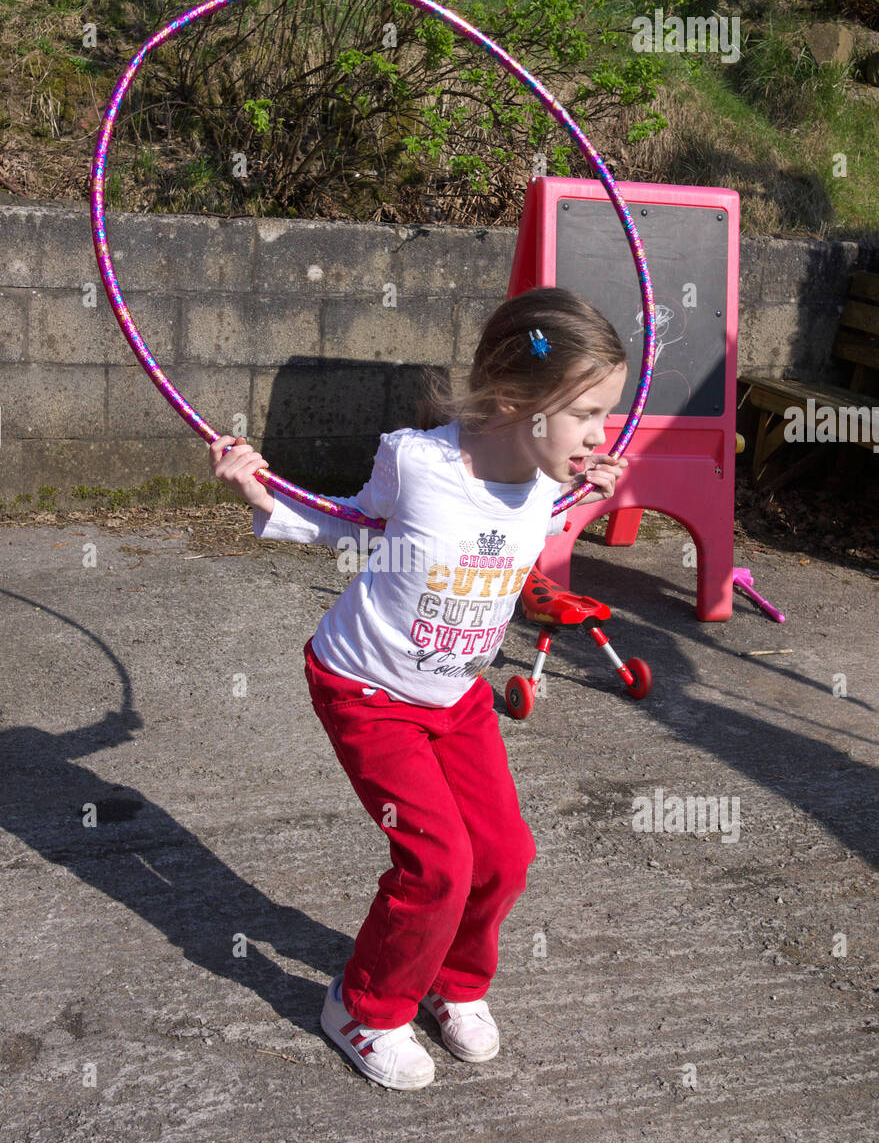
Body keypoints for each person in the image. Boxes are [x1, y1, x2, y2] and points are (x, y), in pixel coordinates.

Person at [210, 285, 629, 1090]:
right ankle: (362, 1009)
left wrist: (588, 497)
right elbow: (351, 526)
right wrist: (261, 494)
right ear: (514, 402)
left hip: (456, 695)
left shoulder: (551, 480)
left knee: (504, 854)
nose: (600, 435)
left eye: (606, 415)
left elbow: (534, 530)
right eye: (587, 416)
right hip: (367, 689)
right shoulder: (418, 461)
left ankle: (453, 983)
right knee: (437, 863)